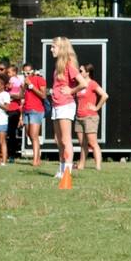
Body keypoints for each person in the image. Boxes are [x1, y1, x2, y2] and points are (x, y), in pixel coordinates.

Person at [50, 37, 89, 178]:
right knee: (58, 139)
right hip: (56, 105)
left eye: (53, 46)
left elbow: (83, 83)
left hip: (65, 105)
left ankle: (67, 172)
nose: (51, 49)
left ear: (61, 48)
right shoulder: (58, 66)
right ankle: (61, 169)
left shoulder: (69, 65)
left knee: (66, 140)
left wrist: (71, 91)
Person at [75, 63, 109, 171]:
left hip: (90, 117)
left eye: (81, 71)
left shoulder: (92, 83)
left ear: (87, 73)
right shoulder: (79, 84)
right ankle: (81, 164)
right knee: (82, 143)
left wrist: (97, 107)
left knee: (92, 142)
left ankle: (98, 166)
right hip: (79, 117)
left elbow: (105, 95)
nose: (78, 73)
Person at [20, 63, 48, 167]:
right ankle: (37, 158)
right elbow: (21, 96)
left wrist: (31, 86)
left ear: (33, 72)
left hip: (36, 110)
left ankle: (36, 160)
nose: (26, 75)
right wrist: (23, 88)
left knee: (34, 135)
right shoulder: (24, 82)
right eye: (24, 72)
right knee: (29, 135)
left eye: (28, 72)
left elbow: (43, 95)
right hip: (26, 110)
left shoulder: (39, 79)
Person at [5, 64, 23, 162]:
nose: (8, 74)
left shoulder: (12, 80)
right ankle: (10, 154)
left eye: (9, 72)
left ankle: (10, 154)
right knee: (12, 133)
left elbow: (10, 88)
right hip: (12, 108)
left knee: (9, 133)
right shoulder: (19, 81)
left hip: (12, 109)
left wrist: (7, 88)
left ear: (14, 72)